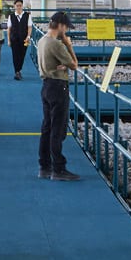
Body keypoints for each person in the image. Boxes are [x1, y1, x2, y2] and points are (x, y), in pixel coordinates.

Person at [35, 11, 80, 181]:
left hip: (46, 85)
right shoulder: (56, 44)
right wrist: (68, 45)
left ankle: (44, 166)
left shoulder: (42, 41)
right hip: (58, 87)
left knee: (47, 127)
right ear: (60, 25)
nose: (66, 31)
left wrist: (62, 65)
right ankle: (59, 169)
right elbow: (74, 65)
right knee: (57, 129)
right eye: (66, 27)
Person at [7, 0, 33, 80]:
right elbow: (9, 29)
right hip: (14, 39)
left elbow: (29, 27)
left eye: (20, 5)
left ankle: (19, 69)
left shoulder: (27, 16)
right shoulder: (11, 16)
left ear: (22, 6)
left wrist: (28, 36)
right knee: (15, 55)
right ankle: (17, 72)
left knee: (22, 55)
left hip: (24, 39)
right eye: (17, 5)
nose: (19, 7)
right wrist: (8, 40)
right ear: (14, 6)